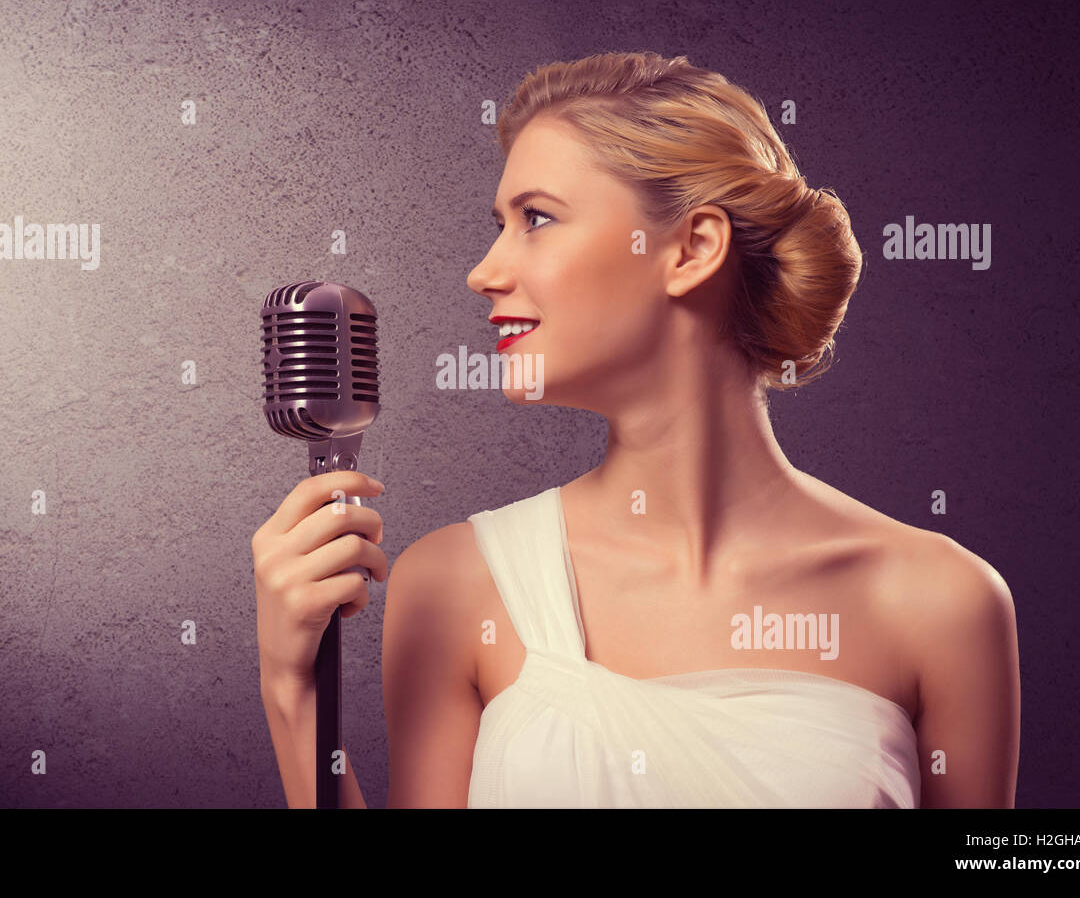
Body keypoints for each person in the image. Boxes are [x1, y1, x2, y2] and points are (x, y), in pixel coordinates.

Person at [251, 50, 1020, 808]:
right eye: (501, 224)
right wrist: (296, 697)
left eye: (537, 219)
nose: (483, 272)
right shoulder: (455, 586)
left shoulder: (941, 601)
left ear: (692, 248)